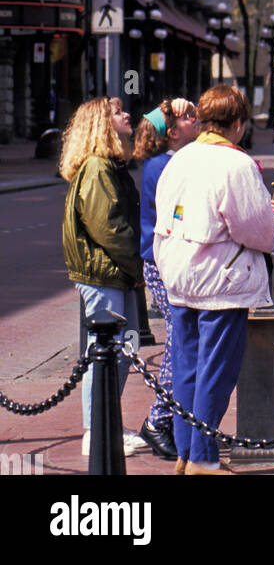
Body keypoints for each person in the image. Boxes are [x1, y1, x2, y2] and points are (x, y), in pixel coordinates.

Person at [154, 84, 274, 475]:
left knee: (187, 367)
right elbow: (255, 228)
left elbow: (167, 213)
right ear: (238, 124)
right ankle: (203, 458)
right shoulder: (236, 164)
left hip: (179, 270)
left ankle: (186, 453)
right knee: (216, 371)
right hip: (221, 278)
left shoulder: (179, 159)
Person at [59, 96, 146, 458]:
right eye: (116, 111)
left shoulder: (108, 165)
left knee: (125, 349)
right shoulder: (97, 168)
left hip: (112, 273)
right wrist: (138, 266)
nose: (126, 114)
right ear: (101, 124)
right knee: (106, 353)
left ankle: (106, 423)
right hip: (103, 274)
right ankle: (96, 431)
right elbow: (109, 227)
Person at [132, 97, 199, 460]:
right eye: (187, 117)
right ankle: (158, 419)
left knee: (183, 339)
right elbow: (177, 212)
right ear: (172, 133)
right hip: (162, 262)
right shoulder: (162, 166)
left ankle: (172, 418)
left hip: (173, 259)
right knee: (178, 340)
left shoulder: (176, 160)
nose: (196, 117)